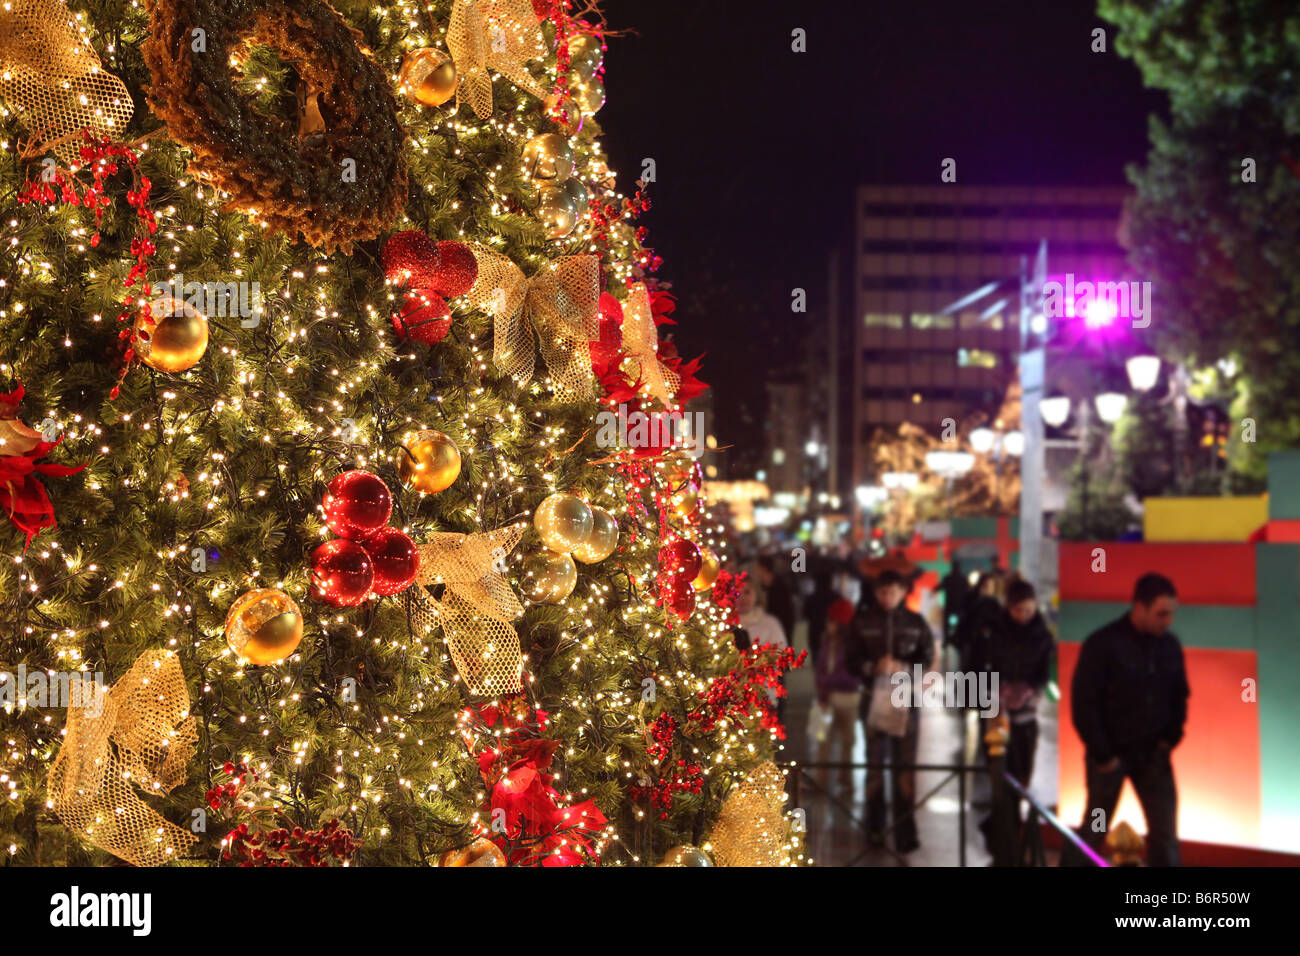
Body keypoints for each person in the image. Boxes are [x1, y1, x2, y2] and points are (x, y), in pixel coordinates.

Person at [1070, 572, 1189, 867]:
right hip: (1109, 758)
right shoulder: (1102, 645)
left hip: (1153, 756)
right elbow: (1084, 703)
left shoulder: (1169, 646)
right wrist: (1103, 754)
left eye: (1171, 613)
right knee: (1095, 829)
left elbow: (1180, 695)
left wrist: (1169, 739)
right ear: (1139, 607)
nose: (1167, 621)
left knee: (1164, 833)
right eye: (1161, 613)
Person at [856, 569, 935, 852]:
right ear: (876, 593)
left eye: (893, 592)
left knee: (905, 769)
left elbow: (926, 658)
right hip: (872, 700)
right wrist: (871, 667)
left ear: (903, 592)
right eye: (882, 592)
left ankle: (905, 833)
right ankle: (874, 830)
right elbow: (851, 659)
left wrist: (904, 668)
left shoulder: (915, 622)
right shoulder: (863, 620)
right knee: (874, 767)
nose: (887, 597)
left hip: (906, 701)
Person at [984, 579, 1054, 787]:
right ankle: (1002, 810)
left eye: (1028, 610)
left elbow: (1045, 672)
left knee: (1024, 759)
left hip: (1027, 708)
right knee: (997, 759)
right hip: (997, 706)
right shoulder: (994, 631)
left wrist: (1029, 688)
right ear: (1008, 606)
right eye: (1018, 610)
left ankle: (1021, 799)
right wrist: (997, 689)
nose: (1023, 615)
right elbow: (984, 664)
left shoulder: (1042, 636)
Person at [814, 599, 866, 790]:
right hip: (827, 697)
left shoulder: (852, 645)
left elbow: (850, 675)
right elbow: (820, 668)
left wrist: (826, 684)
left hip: (847, 698)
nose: (828, 625)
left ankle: (846, 779)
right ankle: (822, 779)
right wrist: (821, 691)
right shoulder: (827, 641)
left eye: (831, 621)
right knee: (823, 740)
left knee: (847, 741)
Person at [737, 582, 790, 724]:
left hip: (763, 696)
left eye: (747, 592)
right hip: (733, 699)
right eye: (737, 593)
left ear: (756, 594)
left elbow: (782, 657)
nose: (742, 598)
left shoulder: (769, 624)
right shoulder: (724, 624)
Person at [755, 555, 796, 642]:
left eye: (757, 568)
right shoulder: (764, 587)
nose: (756, 571)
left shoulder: (779, 586)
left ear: (764, 568)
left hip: (782, 630)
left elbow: (785, 612)